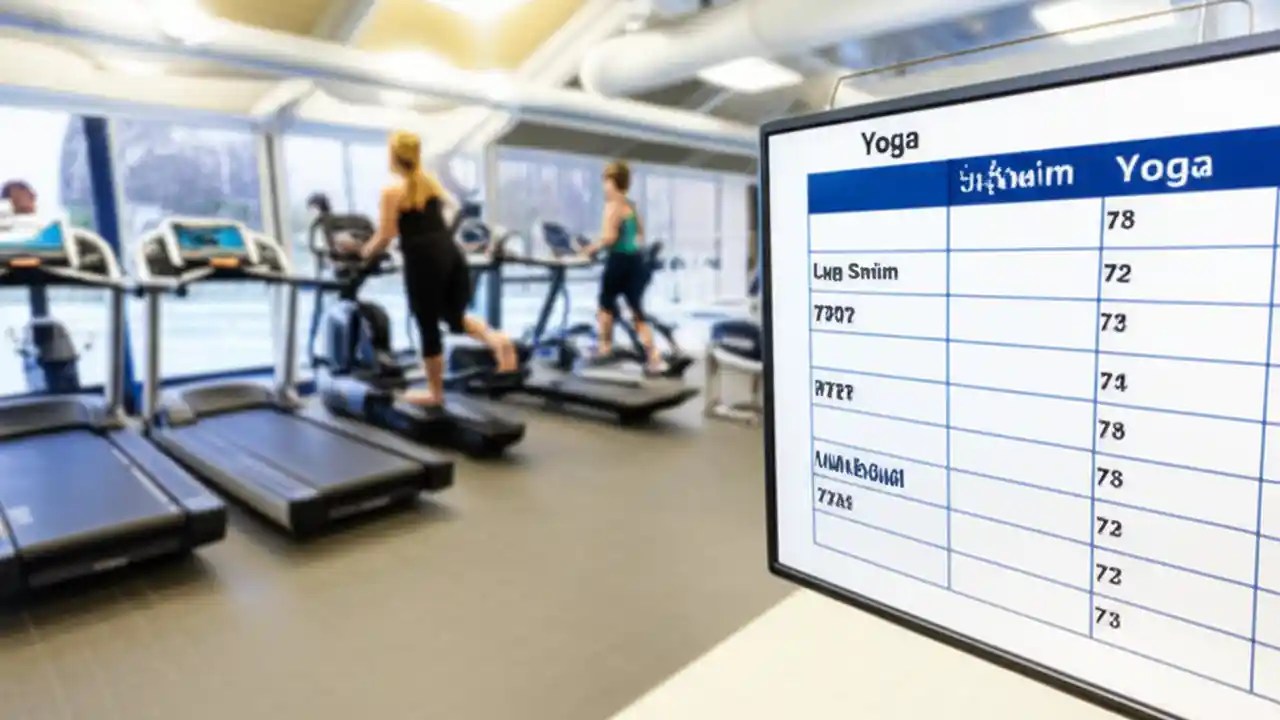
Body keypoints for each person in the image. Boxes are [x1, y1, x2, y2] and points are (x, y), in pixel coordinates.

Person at [354, 130, 517, 407]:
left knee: (427, 325)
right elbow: (443, 216)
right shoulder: (430, 184)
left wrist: (361, 254)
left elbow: (386, 234)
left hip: (424, 262)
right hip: (449, 254)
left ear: (393, 156)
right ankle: (500, 342)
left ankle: (434, 393)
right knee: (454, 317)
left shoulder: (392, 190)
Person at [581, 160, 662, 373]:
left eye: (605, 181)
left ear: (611, 182)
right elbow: (640, 235)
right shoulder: (631, 206)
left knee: (605, 303)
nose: (603, 186)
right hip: (635, 261)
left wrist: (590, 249)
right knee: (636, 310)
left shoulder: (613, 205)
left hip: (618, 260)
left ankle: (604, 348)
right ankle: (653, 355)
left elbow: (608, 237)